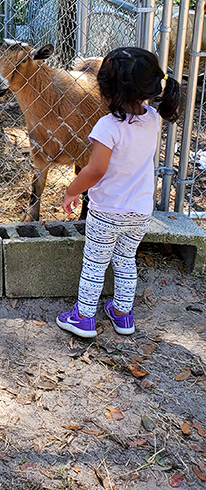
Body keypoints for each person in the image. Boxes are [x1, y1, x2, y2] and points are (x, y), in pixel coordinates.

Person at [56, 46, 181, 338]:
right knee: (126, 260)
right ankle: (123, 314)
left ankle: (84, 317)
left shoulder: (107, 127)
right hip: (139, 211)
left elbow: (94, 170)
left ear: (106, 89)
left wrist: (72, 191)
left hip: (107, 211)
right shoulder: (153, 118)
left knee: (94, 265)